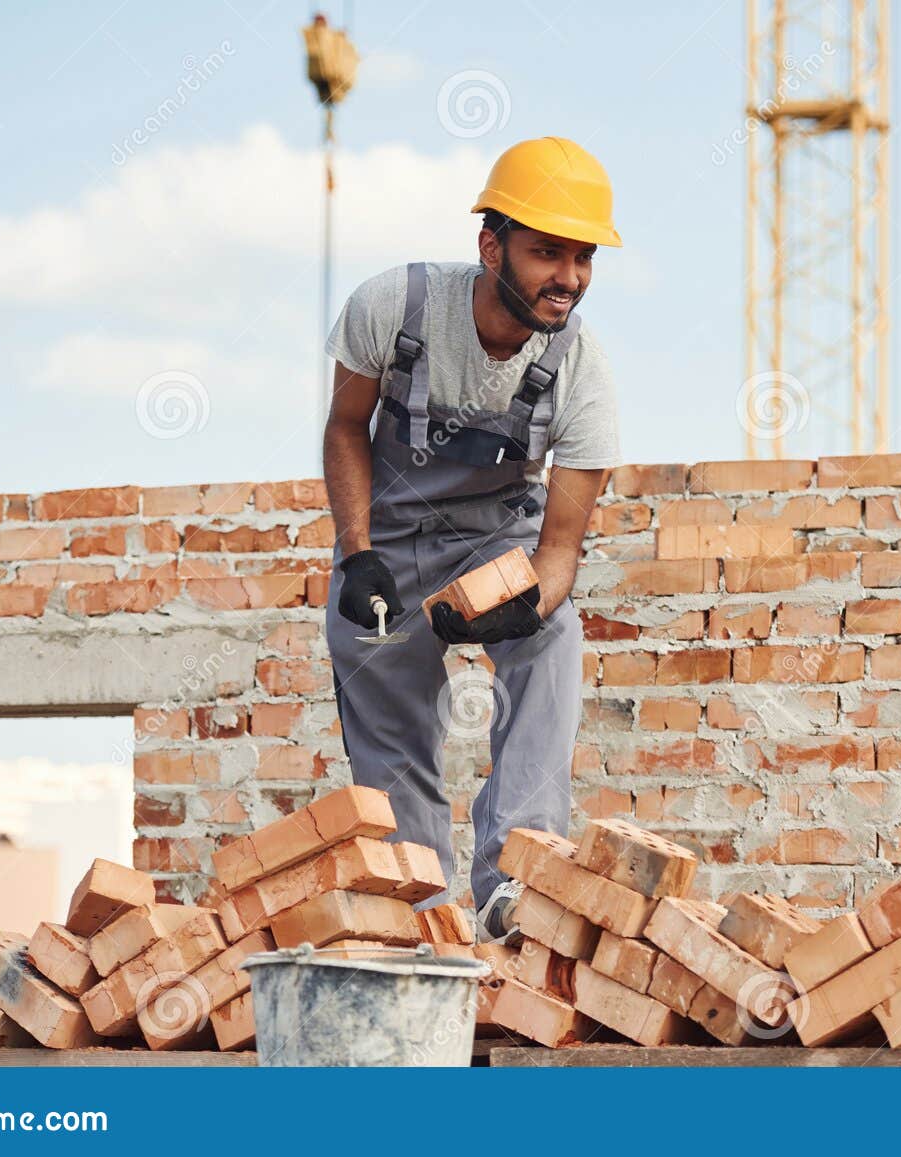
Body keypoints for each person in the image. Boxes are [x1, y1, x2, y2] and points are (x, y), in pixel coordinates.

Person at [321, 137, 622, 941]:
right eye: (547, 252)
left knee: (552, 637)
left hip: (499, 540)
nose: (569, 277)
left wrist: (523, 607)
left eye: (583, 257)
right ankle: (423, 920)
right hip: (388, 538)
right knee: (382, 687)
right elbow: (346, 428)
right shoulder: (395, 307)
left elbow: (558, 553)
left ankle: (516, 884)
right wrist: (358, 555)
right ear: (492, 247)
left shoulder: (582, 371)